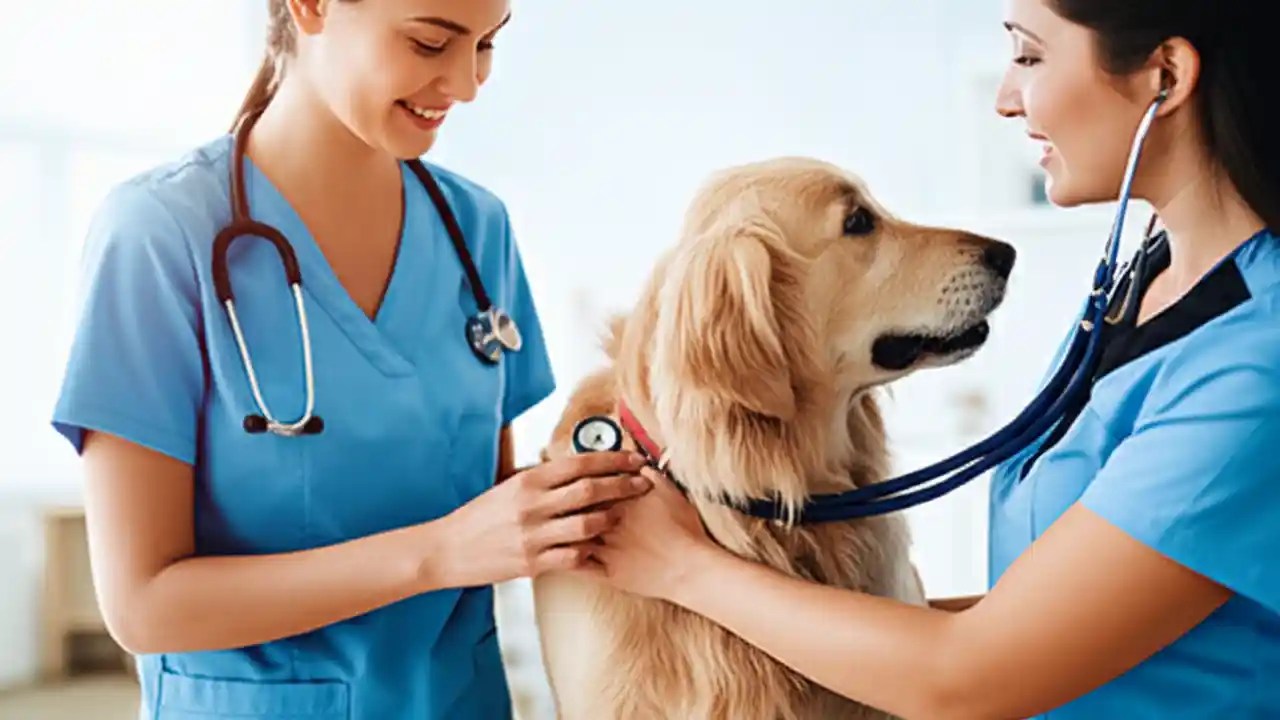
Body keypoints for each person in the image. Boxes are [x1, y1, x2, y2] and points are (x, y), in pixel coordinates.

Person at [585, 0, 1280, 717]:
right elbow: (1065, 621)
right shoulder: (1153, 280)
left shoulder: (1257, 365)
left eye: (1030, 56)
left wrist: (682, 569)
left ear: (1165, 75)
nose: (1007, 98)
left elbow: (972, 676)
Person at [49, 1, 651, 718]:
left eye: (486, 46)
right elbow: (144, 605)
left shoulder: (476, 229)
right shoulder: (158, 235)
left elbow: (490, 511)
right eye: (432, 42)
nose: (464, 85)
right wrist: (439, 553)